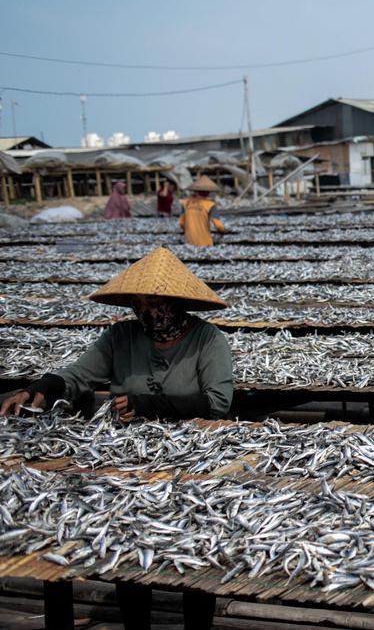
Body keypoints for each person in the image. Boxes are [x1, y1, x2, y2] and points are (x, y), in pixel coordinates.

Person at [1, 246, 233, 630]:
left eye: (155, 302)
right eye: (140, 303)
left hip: (193, 459)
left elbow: (217, 403)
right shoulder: (121, 336)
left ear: (177, 302)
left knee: (194, 550)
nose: (147, 311)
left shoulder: (208, 340)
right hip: (126, 459)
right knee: (127, 545)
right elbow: (78, 375)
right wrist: (41, 388)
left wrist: (148, 403)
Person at [179, 176, 227, 247]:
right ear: (208, 192)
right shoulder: (210, 205)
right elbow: (218, 225)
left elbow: (181, 223)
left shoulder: (186, 203)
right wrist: (222, 231)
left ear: (196, 191)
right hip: (205, 243)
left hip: (189, 243)